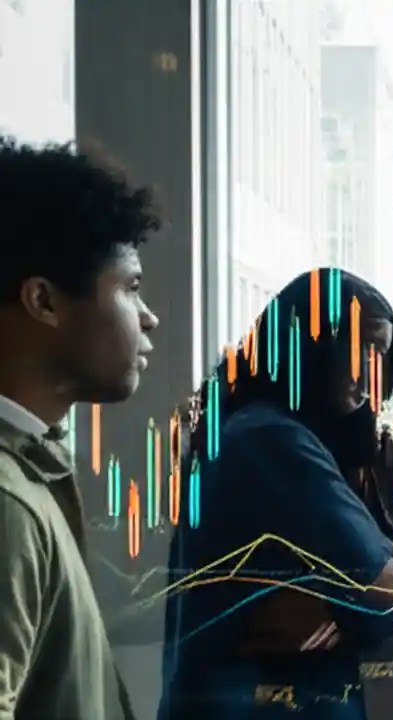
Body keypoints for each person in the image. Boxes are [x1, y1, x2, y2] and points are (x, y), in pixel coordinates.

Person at [159, 268, 393, 720]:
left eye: (383, 353)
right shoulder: (271, 438)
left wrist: (332, 605)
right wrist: (360, 595)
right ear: (309, 343)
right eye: (364, 346)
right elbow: (385, 585)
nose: (374, 372)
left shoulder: (252, 430)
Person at [0, 137, 159, 720]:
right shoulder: (7, 499)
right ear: (44, 300)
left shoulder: (29, 469)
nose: (149, 317)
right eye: (131, 287)